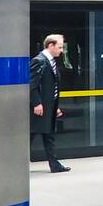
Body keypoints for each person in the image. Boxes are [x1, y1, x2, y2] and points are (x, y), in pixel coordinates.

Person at [30, 33, 69, 173]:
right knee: (31, 134)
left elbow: (52, 86)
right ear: (50, 45)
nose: (61, 50)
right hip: (39, 108)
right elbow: (32, 84)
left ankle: (54, 164)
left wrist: (55, 107)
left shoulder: (50, 62)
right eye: (59, 47)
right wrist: (36, 103)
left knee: (49, 135)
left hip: (48, 107)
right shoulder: (39, 61)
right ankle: (16, 164)